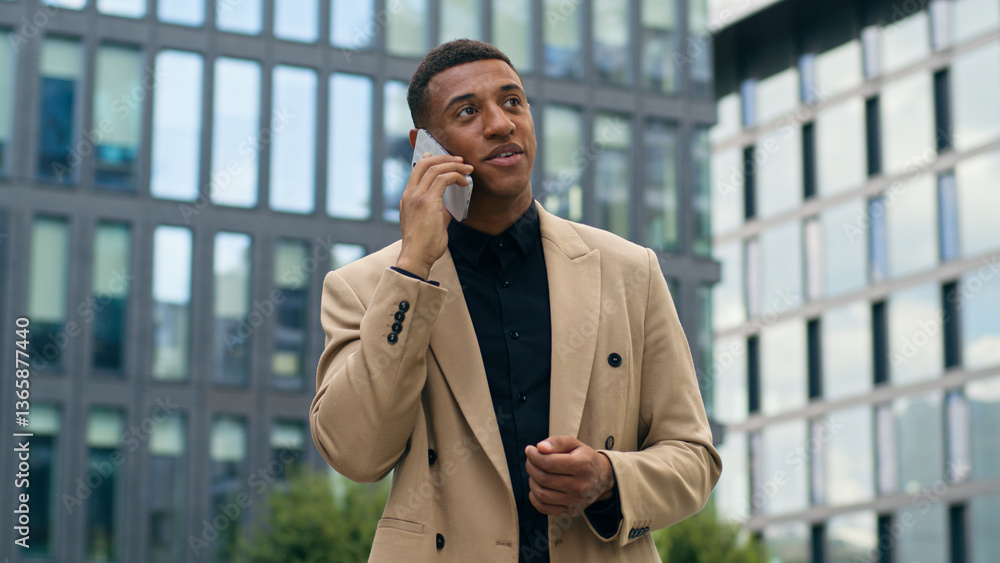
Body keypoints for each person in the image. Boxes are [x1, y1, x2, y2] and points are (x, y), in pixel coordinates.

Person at [311, 39, 721, 562]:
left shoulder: (628, 270)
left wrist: (607, 477)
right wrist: (413, 267)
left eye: (512, 102)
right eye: (468, 111)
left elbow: (694, 458)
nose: (501, 123)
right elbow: (356, 453)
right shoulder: (367, 288)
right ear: (425, 146)